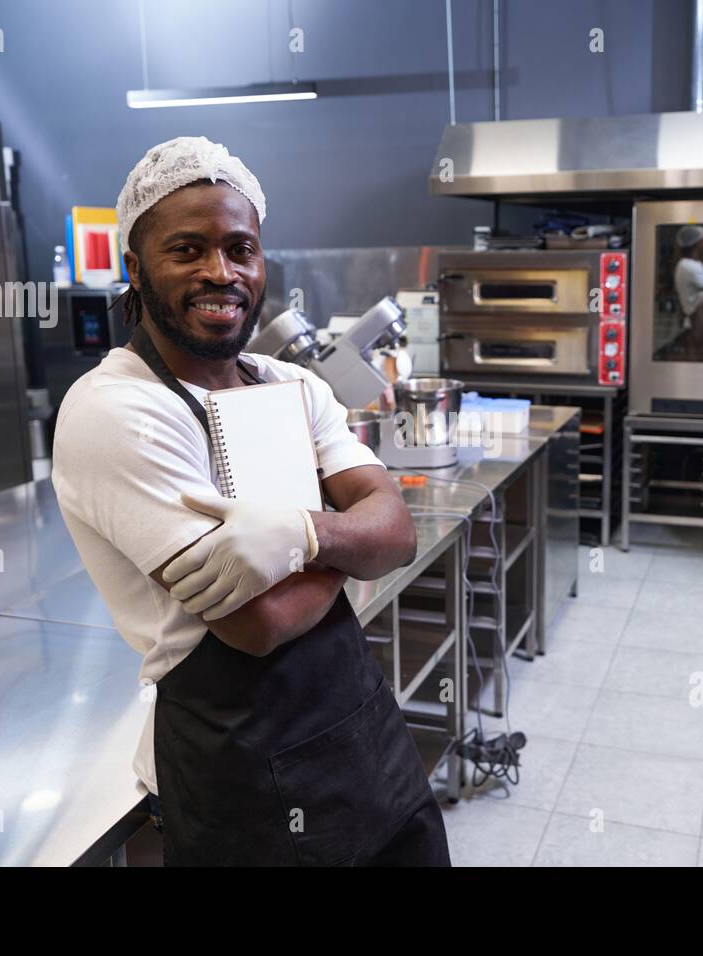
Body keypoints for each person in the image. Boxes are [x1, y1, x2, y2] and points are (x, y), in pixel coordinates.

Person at [51, 136, 450, 866]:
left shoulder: (284, 382)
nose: (221, 273)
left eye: (241, 249)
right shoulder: (115, 411)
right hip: (244, 782)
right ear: (135, 269)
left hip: (368, 747)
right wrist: (347, 537)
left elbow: (398, 533)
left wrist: (302, 536)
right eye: (187, 250)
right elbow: (257, 625)